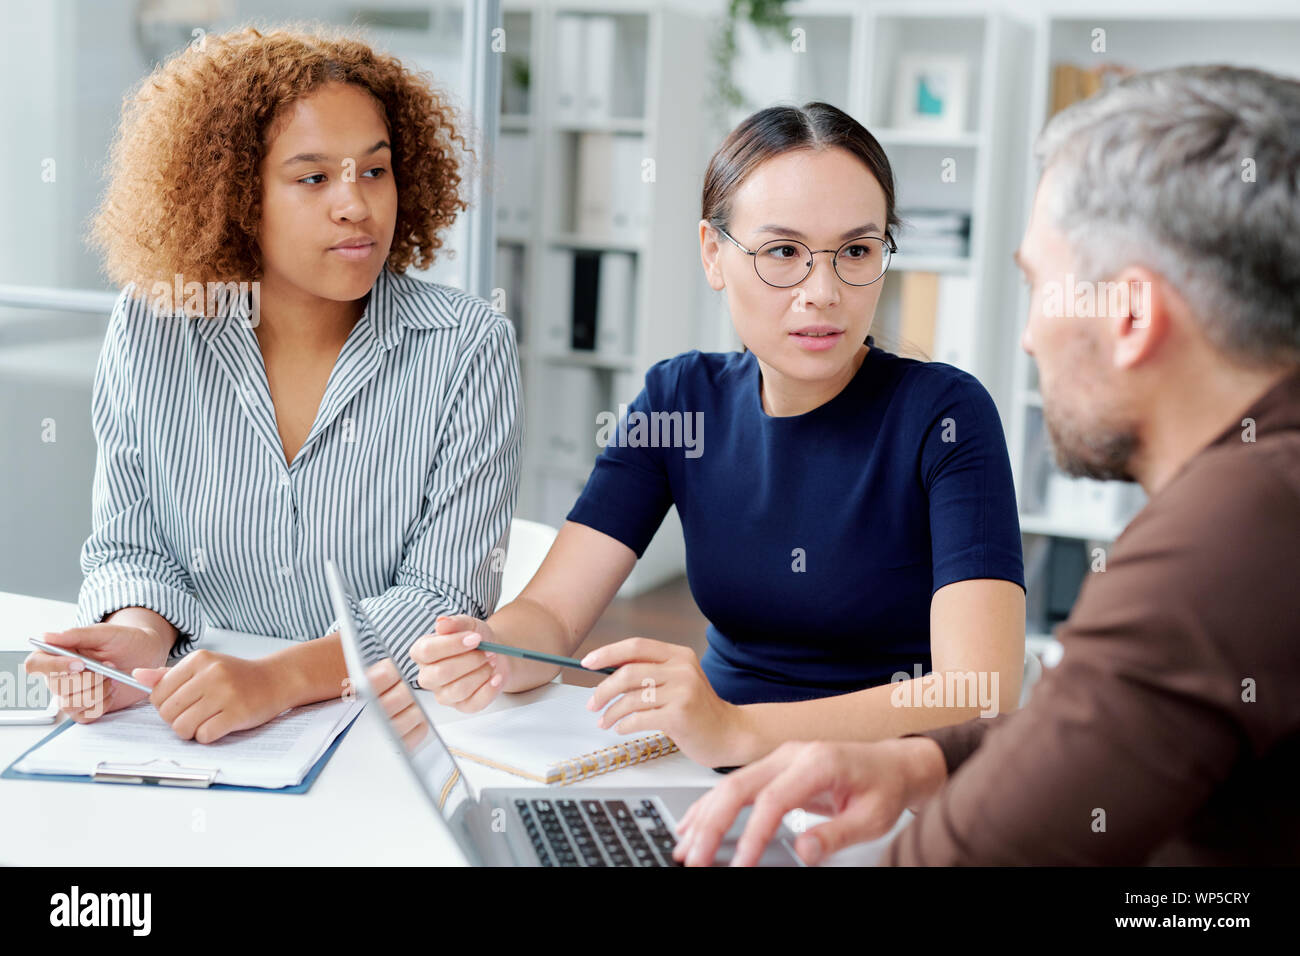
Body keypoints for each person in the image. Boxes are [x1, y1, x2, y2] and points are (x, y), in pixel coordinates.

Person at [672, 65, 1300, 866]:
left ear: (1132, 316)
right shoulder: (1263, 496)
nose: (1030, 336)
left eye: (1039, 285)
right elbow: (1093, 724)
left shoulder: (1220, 552)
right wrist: (923, 760)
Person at [413, 102, 1027, 769]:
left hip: (886, 784)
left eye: (856, 250)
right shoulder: (681, 402)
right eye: (784, 252)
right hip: (707, 767)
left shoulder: (946, 415)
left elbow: (980, 690)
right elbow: (554, 617)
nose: (823, 291)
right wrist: (493, 650)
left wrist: (740, 729)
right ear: (714, 254)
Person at [24, 25, 522, 744]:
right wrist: (140, 635)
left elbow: (443, 600)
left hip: (388, 734)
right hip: (190, 722)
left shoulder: (467, 346)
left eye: (375, 171)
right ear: (234, 195)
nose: (356, 205)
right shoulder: (155, 323)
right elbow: (130, 547)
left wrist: (281, 680)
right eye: (313, 177)